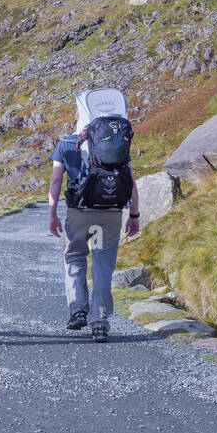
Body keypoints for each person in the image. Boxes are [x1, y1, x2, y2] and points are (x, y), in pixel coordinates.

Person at [48, 90, 140, 343]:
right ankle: (100, 322)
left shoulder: (67, 143)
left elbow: (56, 180)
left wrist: (52, 213)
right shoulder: (117, 141)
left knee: (75, 256)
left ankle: (78, 310)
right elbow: (130, 181)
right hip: (110, 214)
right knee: (103, 265)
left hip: (80, 212)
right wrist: (134, 214)